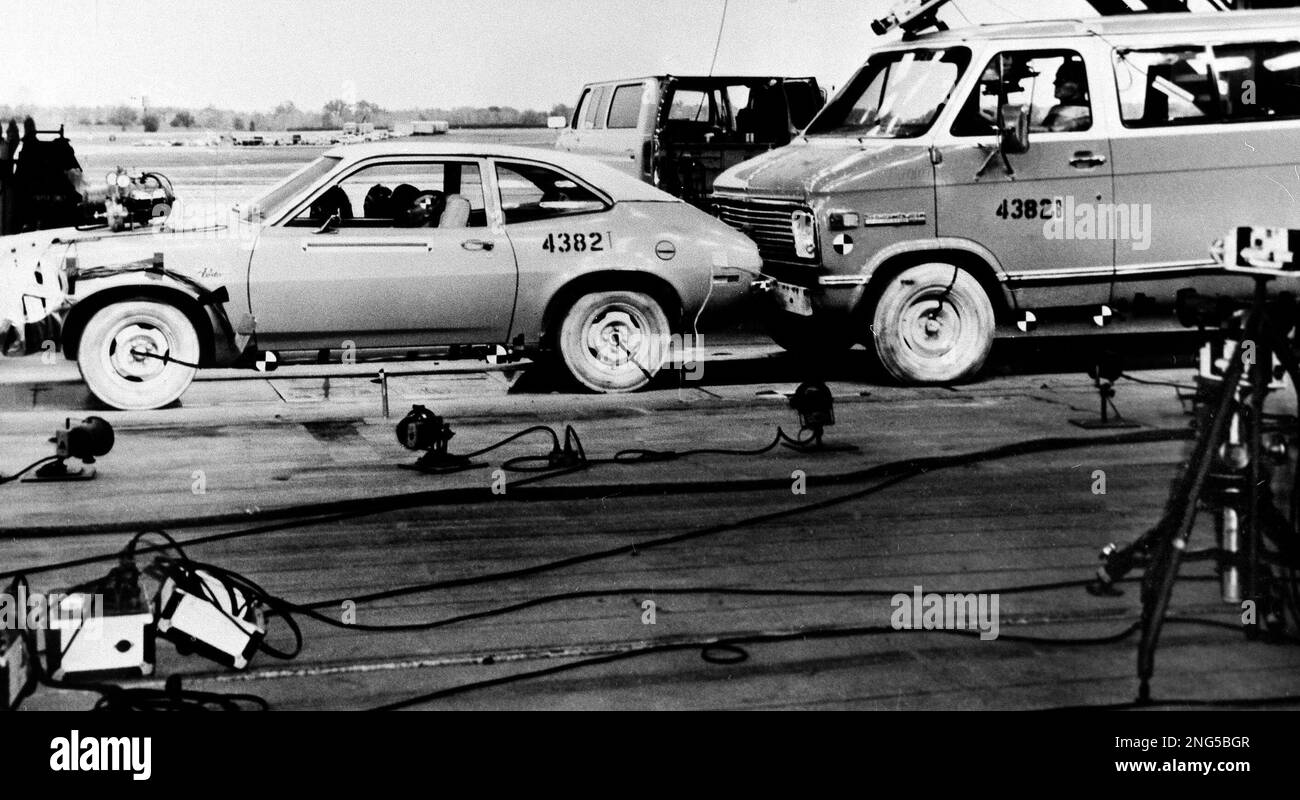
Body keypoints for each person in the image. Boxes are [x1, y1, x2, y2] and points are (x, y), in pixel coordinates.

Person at [1042, 61, 1091, 132]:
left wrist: (1074, 123)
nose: (1055, 82)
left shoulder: (1088, 111)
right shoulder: (1055, 109)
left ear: (1079, 84)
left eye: (1062, 79)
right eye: (1057, 78)